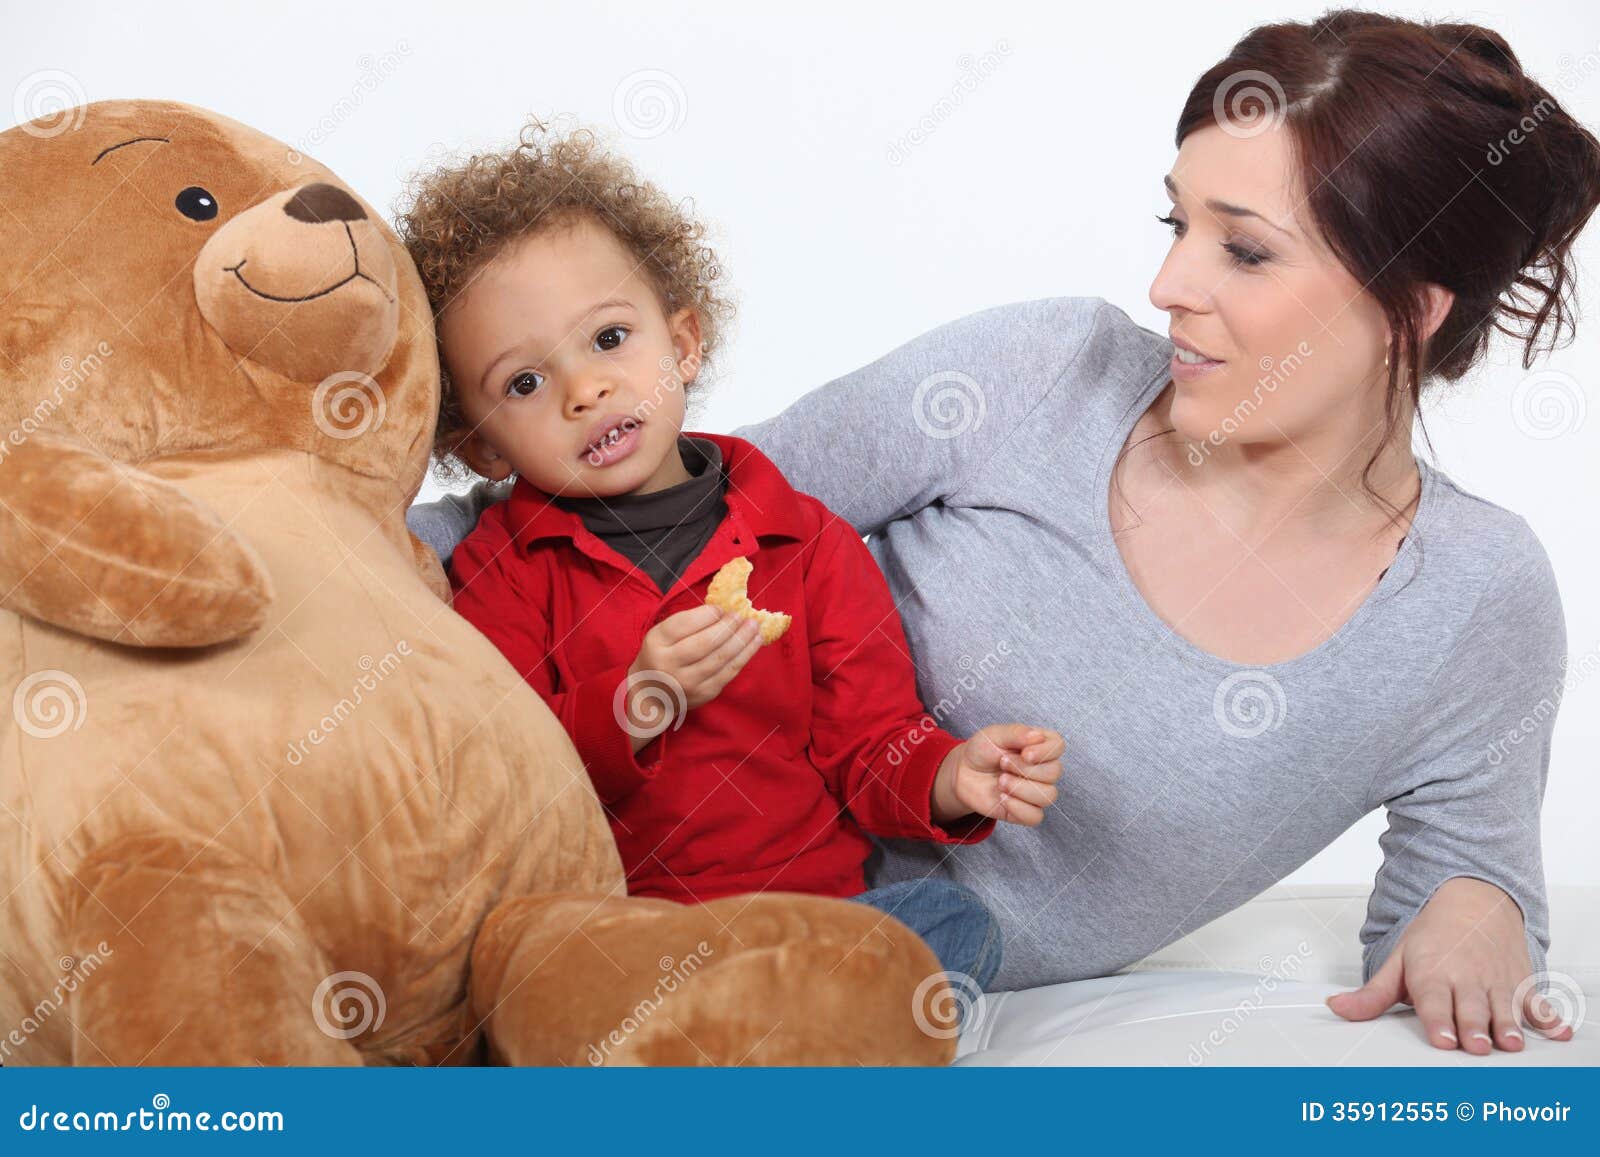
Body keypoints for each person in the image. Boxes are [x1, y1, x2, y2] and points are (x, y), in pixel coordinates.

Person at [410, 10, 1599, 1054]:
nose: (1167, 283)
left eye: (1241, 247)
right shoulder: (1044, 369)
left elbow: (1473, 867)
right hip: (634, 857)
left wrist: (1472, 905)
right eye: (1173, 222)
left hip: (884, 963)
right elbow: (656, 499)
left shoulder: (1474, 597)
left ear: (1411, 307)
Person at [397, 123, 1066, 1005]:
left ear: (683, 345)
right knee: (519, 972)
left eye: (609, 339)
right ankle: (752, 1040)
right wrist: (635, 702)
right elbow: (509, 778)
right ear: (480, 448)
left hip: (805, 923)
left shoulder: (808, 542)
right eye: (524, 383)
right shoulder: (502, 574)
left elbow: (869, 745)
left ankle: (781, 1027)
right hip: (623, 937)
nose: (584, 391)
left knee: (954, 929)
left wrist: (950, 775)